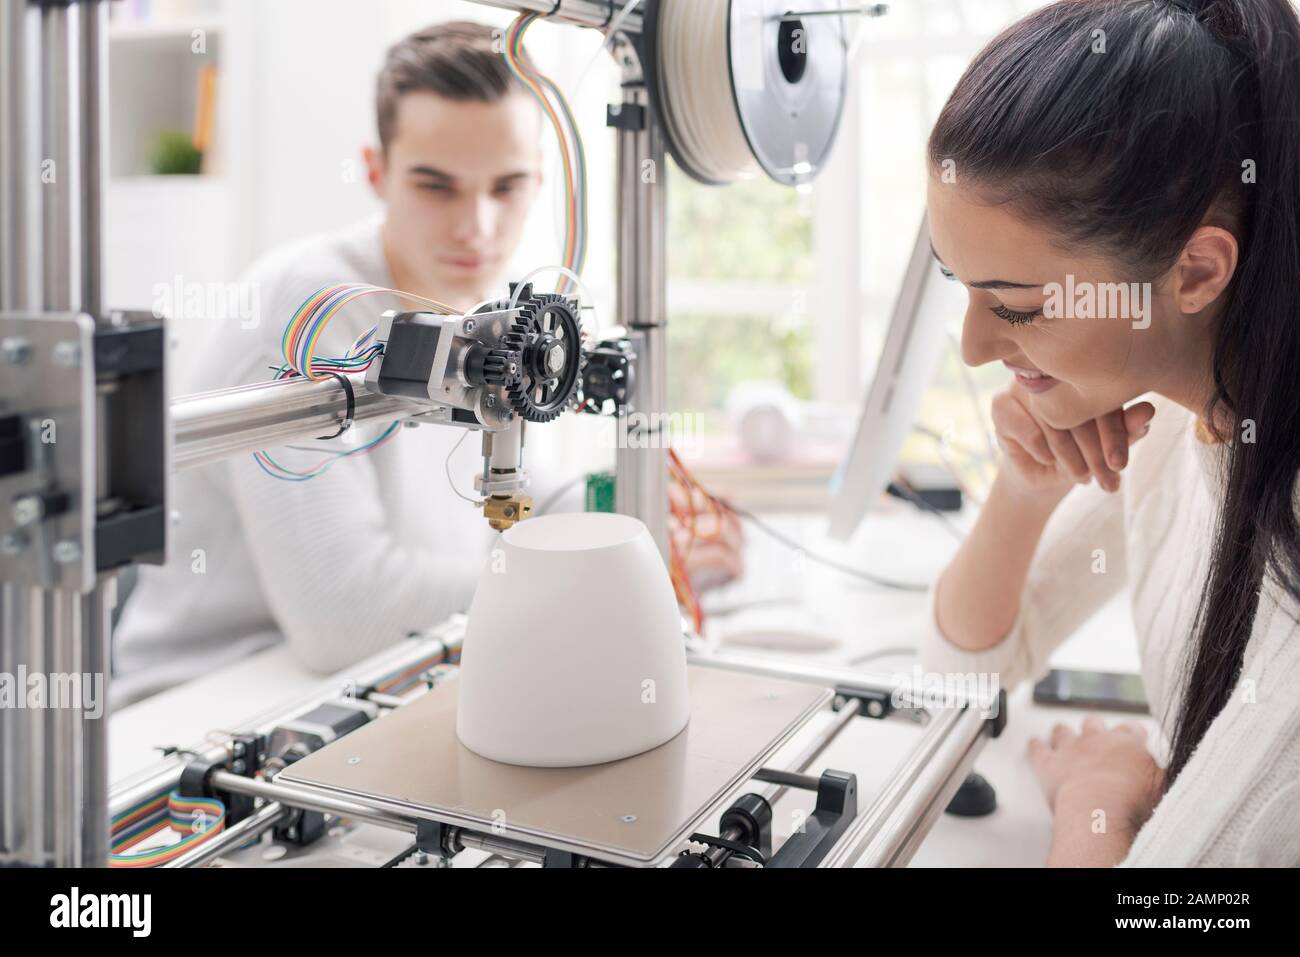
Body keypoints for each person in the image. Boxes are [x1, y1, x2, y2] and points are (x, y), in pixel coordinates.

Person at [113, 21, 739, 705]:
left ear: (540, 179)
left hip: (365, 680)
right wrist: (585, 574)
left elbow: (521, 489)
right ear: (376, 172)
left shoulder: (476, 305)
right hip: (212, 701)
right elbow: (345, 612)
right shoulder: (308, 311)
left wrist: (639, 527)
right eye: (437, 187)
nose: (477, 226)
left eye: (507, 187)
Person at [919, 0, 1300, 865]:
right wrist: (1026, 485)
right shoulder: (1185, 422)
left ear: (1196, 270)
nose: (976, 349)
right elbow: (950, 688)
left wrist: (1093, 806)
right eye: (961, 285)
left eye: (1017, 304)